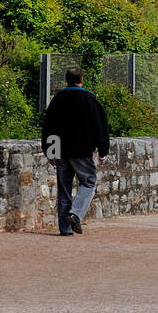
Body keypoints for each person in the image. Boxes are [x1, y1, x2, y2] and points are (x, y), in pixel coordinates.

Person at [41, 66, 110, 236]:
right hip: (82, 151)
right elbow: (100, 125)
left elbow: (49, 126)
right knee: (89, 182)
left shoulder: (57, 99)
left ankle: (65, 229)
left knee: (64, 189)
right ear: (82, 79)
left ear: (66, 79)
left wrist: (50, 151)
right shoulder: (89, 99)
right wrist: (103, 149)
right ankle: (76, 214)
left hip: (62, 151)